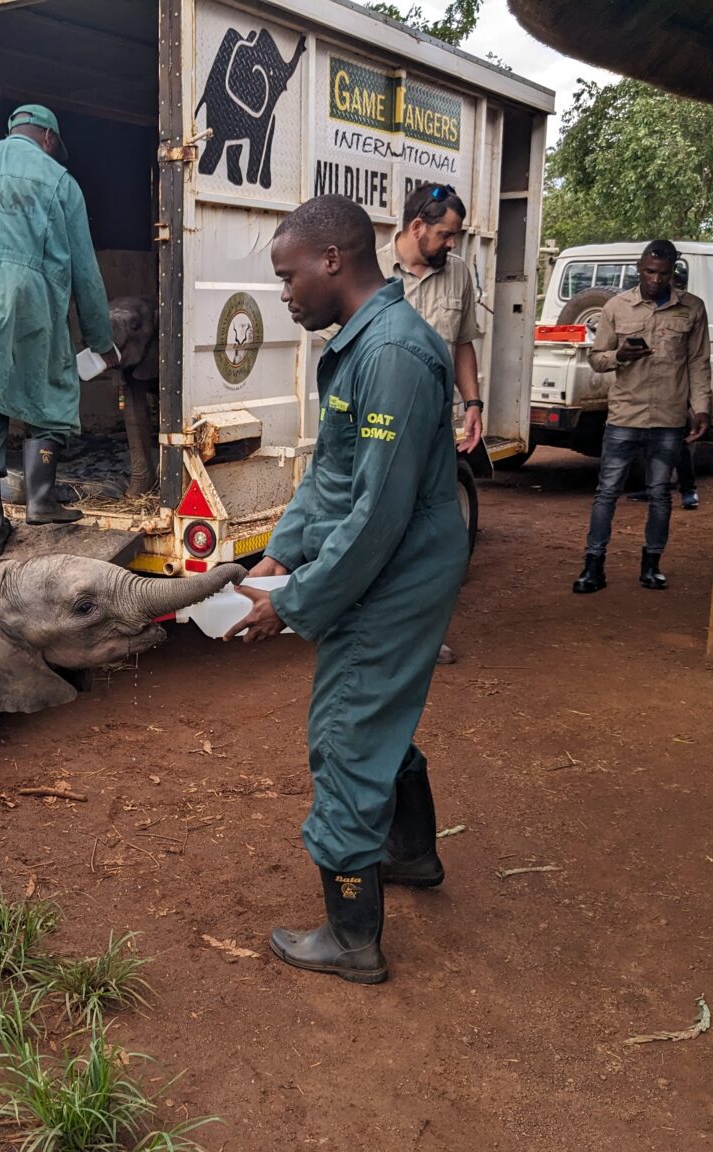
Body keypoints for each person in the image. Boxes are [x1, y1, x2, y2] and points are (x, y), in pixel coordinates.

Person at [225, 195, 468, 985]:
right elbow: (333, 476)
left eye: (288, 276)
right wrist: (277, 555)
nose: (284, 293)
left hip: (395, 573)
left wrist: (292, 602)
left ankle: (351, 937)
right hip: (391, 561)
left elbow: (377, 514)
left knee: (347, 733)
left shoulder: (391, 354)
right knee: (380, 713)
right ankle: (413, 853)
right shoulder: (361, 346)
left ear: (333, 260)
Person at [0, 104, 119, 557]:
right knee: (49, 393)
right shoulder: (60, 181)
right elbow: (85, 271)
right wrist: (100, 339)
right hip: (32, 298)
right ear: (48, 139)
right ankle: (41, 500)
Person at [378, 182, 484, 665]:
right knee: (379, 531)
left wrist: (474, 403)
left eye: (455, 236)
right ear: (416, 226)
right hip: (377, 432)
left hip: (435, 431)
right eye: (445, 234)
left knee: (431, 537)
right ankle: (375, 636)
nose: (451, 244)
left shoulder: (458, 275)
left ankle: (421, 637)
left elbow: (462, 344)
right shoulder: (372, 270)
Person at [572, 240, 711, 593]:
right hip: (624, 415)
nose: (655, 279)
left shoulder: (692, 309)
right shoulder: (616, 306)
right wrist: (621, 355)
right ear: (638, 267)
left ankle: (652, 565)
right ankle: (593, 566)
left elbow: (698, 363)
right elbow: (596, 358)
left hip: (668, 417)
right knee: (606, 493)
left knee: (660, 494)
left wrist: (702, 408)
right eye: (649, 271)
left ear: (672, 272)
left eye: (662, 273)